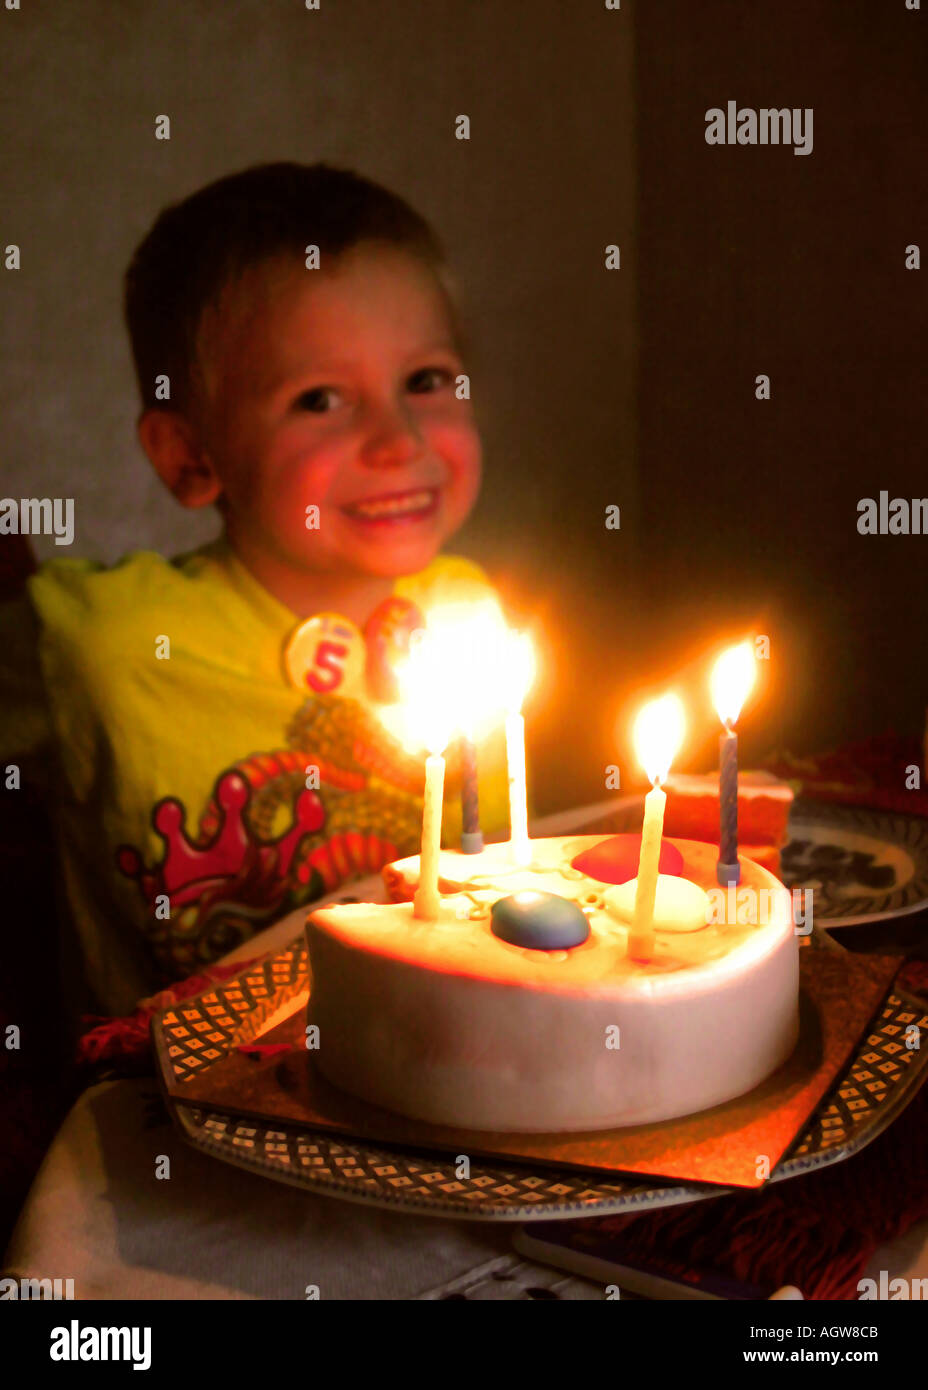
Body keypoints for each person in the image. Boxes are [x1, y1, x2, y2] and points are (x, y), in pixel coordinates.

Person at [0, 162, 509, 1021]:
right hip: (171, 1108)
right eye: (319, 399)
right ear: (190, 456)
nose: (400, 438)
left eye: (425, 379)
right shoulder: (99, 641)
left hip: (437, 1061)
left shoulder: (470, 610)